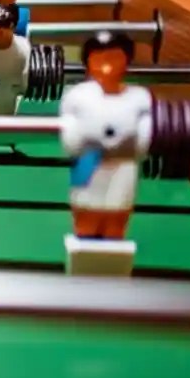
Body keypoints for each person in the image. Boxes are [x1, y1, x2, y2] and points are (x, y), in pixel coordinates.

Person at [59, 31, 151, 240]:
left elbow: (145, 142)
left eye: (113, 58)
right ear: (88, 64)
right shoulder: (77, 97)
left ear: (127, 60)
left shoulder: (140, 99)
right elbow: (70, 140)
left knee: (116, 221)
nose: (107, 66)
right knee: (85, 220)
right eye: (99, 60)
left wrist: (120, 146)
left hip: (123, 168)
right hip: (88, 164)